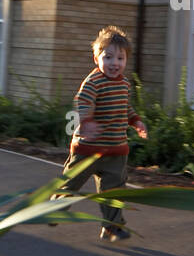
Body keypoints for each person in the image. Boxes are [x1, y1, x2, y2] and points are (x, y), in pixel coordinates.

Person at [52, 25, 148, 241]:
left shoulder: (124, 84)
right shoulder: (93, 82)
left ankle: (112, 226)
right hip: (88, 149)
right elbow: (83, 102)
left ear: (125, 60)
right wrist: (86, 121)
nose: (115, 63)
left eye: (120, 58)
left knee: (114, 191)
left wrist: (136, 121)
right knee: (71, 183)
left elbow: (126, 108)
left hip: (115, 150)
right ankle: (53, 210)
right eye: (108, 57)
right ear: (97, 59)